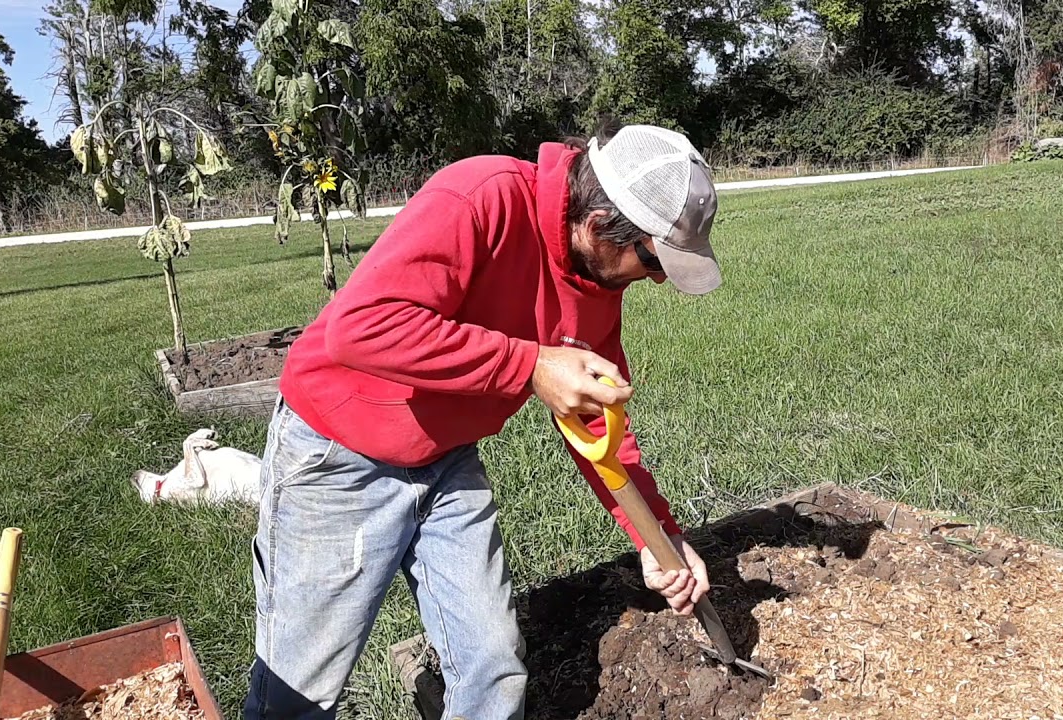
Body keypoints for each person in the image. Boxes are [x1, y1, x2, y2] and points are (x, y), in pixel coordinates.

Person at [244, 121, 723, 720]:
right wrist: (529, 364)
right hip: (340, 457)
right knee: (299, 692)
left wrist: (658, 535)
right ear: (599, 227)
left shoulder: (595, 274)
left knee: (492, 664)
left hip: (445, 461)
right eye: (654, 262)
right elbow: (359, 328)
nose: (654, 280)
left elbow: (597, 419)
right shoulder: (481, 196)